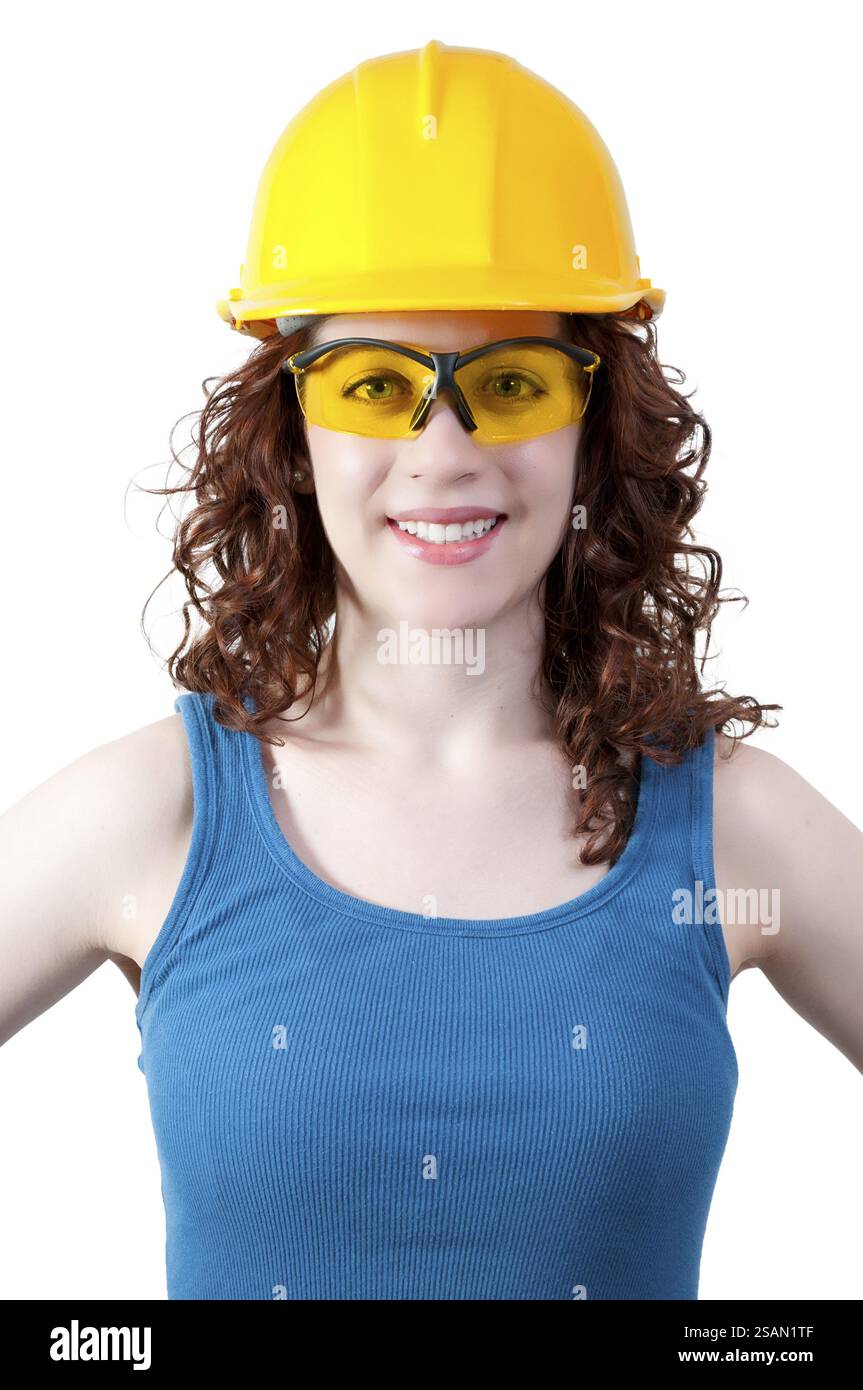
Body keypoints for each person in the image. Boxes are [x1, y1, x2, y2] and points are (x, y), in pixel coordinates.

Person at [1, 39, 861, 1302]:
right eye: (374, 383)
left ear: (593, 421)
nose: (443, 451)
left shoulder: (732, 828)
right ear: (290, 428)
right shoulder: (152, 816)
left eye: (509, 384)